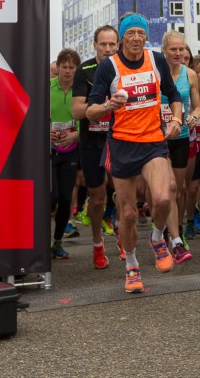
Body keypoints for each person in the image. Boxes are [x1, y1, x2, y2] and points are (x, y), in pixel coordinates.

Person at [84, 13, 184, 293]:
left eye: (141, 33)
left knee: (163, 198)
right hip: (122, 144)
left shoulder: (156, 60)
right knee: (127, 215)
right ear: (122, 38)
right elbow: (90, 111)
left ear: (146, 36)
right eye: (131, 33)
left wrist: (176, 120)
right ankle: (131, 266)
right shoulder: (109, 67)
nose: (136, 38)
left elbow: (174, 95)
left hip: (153, 141)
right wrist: (108, 106)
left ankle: (157, 238)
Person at [72, 25, 120, 269]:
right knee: (98, 197)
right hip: (92, 140)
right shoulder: (84, 70)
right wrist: (103, 106)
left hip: (119, 138)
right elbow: (77, 111)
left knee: (123, 192)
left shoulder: (124, 68)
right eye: (103, 44)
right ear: (95, 45)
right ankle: (97, 244)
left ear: (118, 46)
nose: (108, 49)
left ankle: (124, 235)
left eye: (112, 44)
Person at [162, 30, 200, 264]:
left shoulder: (190, 75)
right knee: (168, 188)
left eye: (181, 49)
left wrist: (194, 116)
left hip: (182, 136)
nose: (178, 53)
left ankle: (174, 230)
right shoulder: (156, 73)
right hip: (159, 138)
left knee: (177, 190)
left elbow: (197, 106)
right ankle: (172, 238)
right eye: (173, 49)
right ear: (164, 51)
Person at [49, 48, 82, 259]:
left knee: (65, 198)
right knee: (51, 196)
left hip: (70, 151)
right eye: (64, 67)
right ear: (58, 67)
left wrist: (75, 135)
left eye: (72, 67)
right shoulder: (47, 87)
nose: (68, 71)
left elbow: (88, 118)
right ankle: (40, 241)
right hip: (49, 150)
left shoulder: (81, 90)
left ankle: (57, 242)